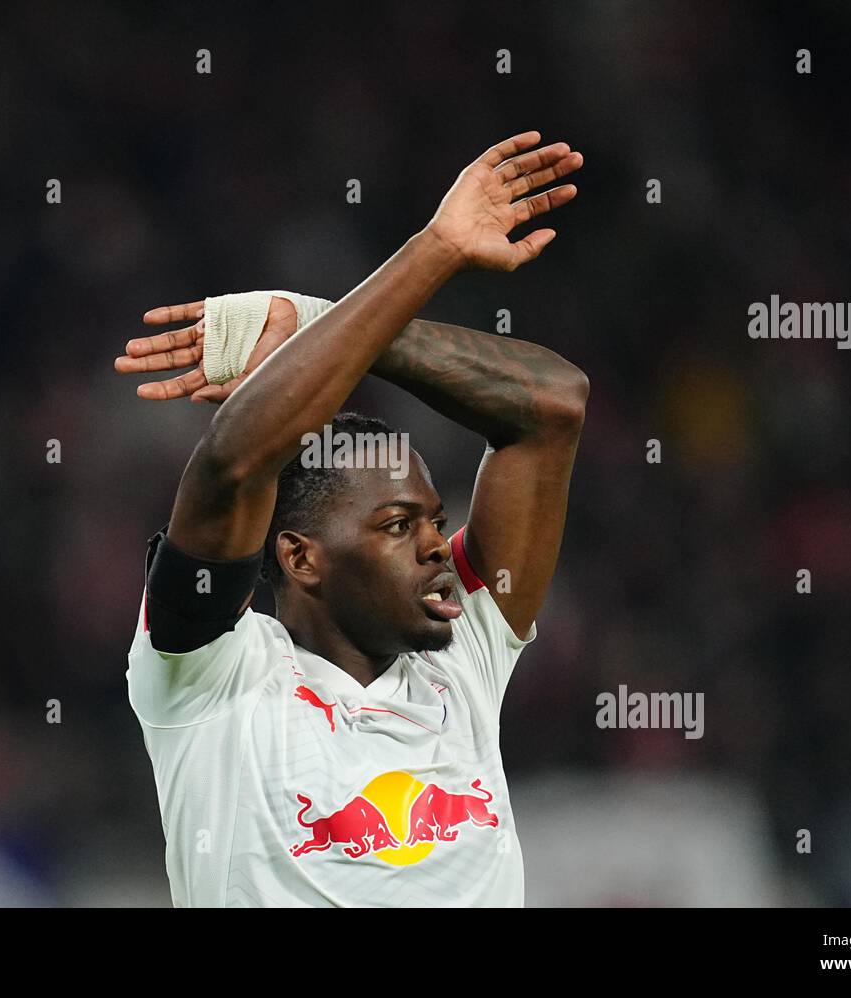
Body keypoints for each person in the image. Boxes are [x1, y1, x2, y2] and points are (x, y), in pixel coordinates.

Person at [114, 131, 588, 906]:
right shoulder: (211, 677)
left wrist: (319, 321)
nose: (439, 545)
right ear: (301, 558)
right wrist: (433, 250)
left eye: (434, 519)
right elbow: (234, 462)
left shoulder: (460, 657)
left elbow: (552, 406)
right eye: (399, 525)